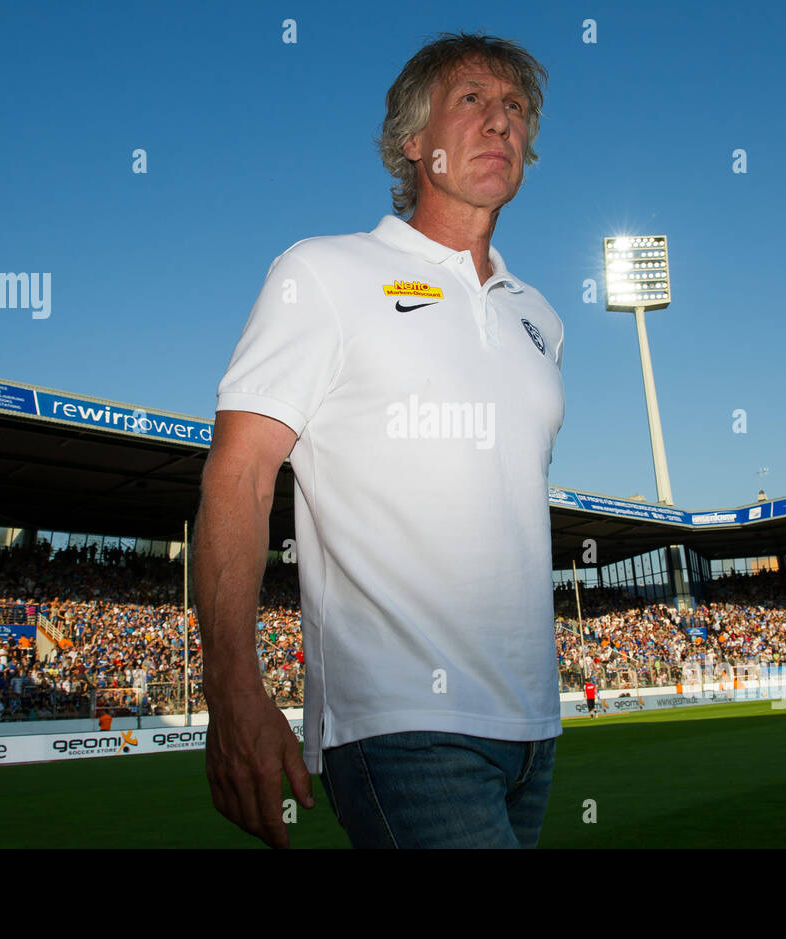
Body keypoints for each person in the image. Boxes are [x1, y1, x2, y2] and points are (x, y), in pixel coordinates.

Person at [196, 32, 562, 849]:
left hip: (536, 730)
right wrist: (232, 690)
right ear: (413, 142)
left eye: (515, 110)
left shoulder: (539, 314)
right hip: (404, 725)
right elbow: (241, 475)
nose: (499, 123)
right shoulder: (323, 273)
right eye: (471, 101)